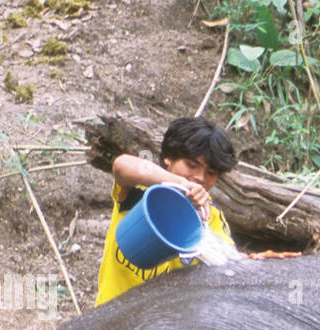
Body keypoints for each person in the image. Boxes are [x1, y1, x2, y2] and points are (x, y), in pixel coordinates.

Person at [95, 116, 241, 306]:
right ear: (168, 158)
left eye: (211, 173)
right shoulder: (140, 193)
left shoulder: (209, 216)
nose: (199, 178)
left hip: (163, 329)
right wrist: (182, 184)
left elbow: (229, 260)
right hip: (108, 317)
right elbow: (121, 165)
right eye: (191, 165)